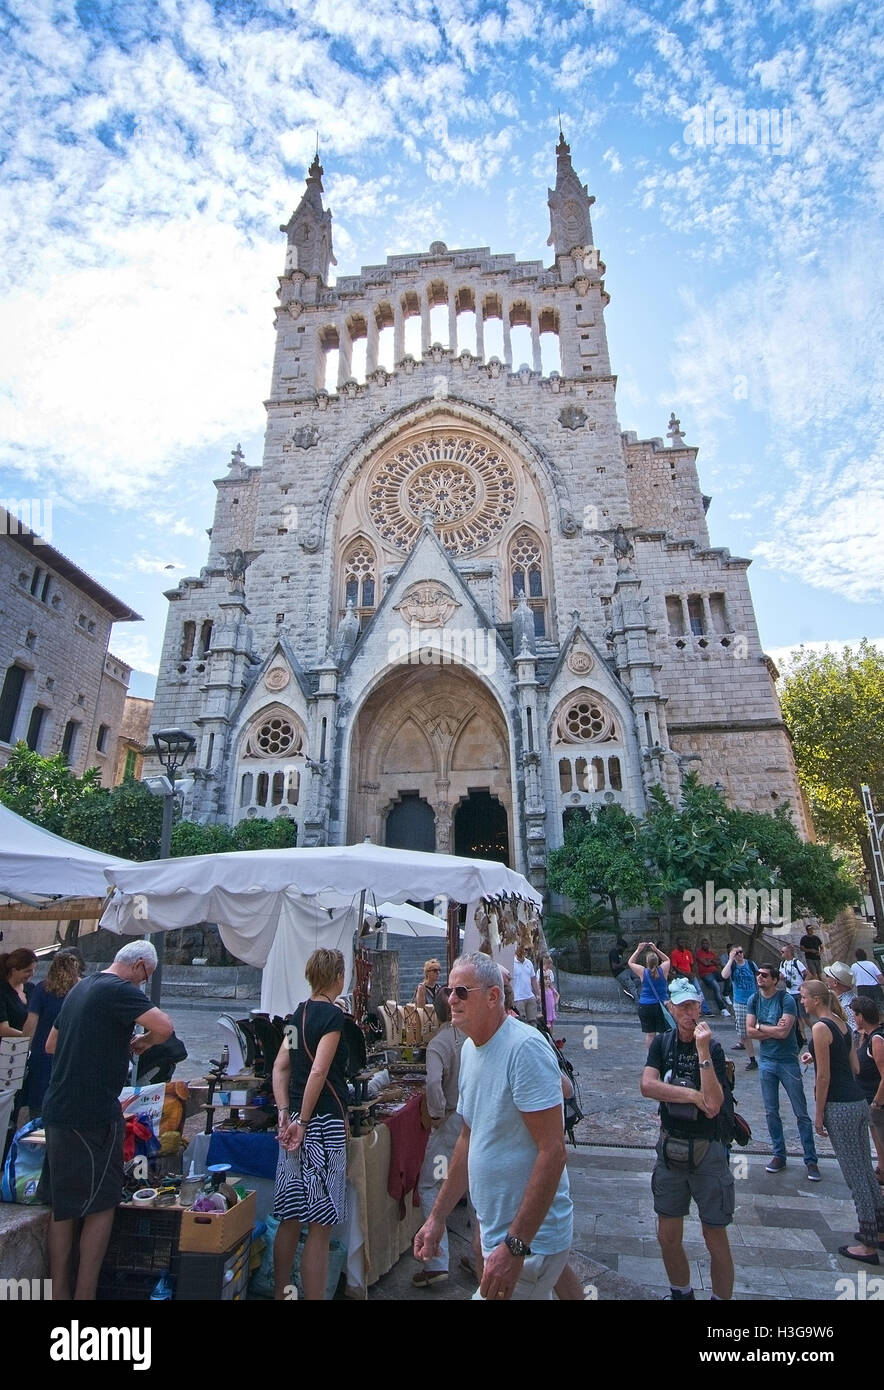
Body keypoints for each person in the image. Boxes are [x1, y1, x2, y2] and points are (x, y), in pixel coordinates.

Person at [413, 952, 573, 1300]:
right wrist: (437, 1217)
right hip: (502, 1234)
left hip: (530, 1242)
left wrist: (515, 1245)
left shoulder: (524, 1049)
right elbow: (468, 1139)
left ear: (493, 996)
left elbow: (553, 1151)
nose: (450, 998)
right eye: (448, 991)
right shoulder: (471, 1049)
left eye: (461, 991)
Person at [39, 940, 174, 1301]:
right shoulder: (118, 989)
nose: (145, 983)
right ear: (141, 966)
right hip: (92, 1112)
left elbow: (51, 1044)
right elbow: (164, 1027)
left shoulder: (81, 986)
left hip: (57, 1108)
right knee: (101, 1204)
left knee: (64, 1207)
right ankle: (85, 1295)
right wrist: (146, 1040)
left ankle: (58, 1293)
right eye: (148, 976)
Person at [640, 978, 735, 1301]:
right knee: (667, 1234)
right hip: (670, 1147)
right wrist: (691, 1095)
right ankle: (681, 1293)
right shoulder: (662, 1045)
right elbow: (648, 1086)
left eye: (693, 1005)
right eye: (682, 1006)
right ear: (670, 1008)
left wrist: (703, 1051)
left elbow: (713, 1104)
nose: (689, 1012)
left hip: (708, 1149)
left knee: (714, 1235)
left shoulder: (714, 1047)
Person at [271, 947, 350, 1300]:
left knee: (289, 1217)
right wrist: (303, 1120)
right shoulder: (333, 1018)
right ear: (338, 978)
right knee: (319, 1224)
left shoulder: (294, 1017)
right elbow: (320, 1068)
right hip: (323, 1122)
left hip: (292, 1128)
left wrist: (283, 1112)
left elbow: (280, 1067)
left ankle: (281, 1293)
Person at [800, 979, 884, 1264]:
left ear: (816, 1000)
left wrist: (819, 1113)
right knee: (864, 1168)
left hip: (839, 1106)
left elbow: (824, 1077)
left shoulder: (820, 1028)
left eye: (804, 997)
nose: (802, 1002)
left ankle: (869, 1244)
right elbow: (855, 1067)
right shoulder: (842, 1022)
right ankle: (880, 1230)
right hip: (858, 1102)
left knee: (855, 1174)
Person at [746, 963, 820, 1179]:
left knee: (800, 1112)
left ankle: (811, 1159)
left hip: (787, 1060)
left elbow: (783, 1031)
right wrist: (765, 1029)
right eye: (758, 974)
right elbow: (749, 1031)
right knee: (771, 1111)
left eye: (765, 975)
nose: (760, 978)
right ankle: (779, 1154)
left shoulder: (785, 999)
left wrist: (761, 1027)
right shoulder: (754, 1000)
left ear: (775, 979)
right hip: (767, 1060)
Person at [412, 993, 466, 1288]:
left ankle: (436, 1260)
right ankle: (481, 1254)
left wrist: (436, 1113)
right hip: (470, 1117)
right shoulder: (469, 1036)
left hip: (450, 1120)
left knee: (432, 1184)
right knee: (471, 1184)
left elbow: (433, 1082)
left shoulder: (440, 1042)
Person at [21, 948, 85, 1116]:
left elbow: (31, 1022)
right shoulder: (84, 990)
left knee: (38, 1106)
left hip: (41, 1054)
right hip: (73, 1055)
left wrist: (23, 1049)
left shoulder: (42, 988)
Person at [850, 996, 884, 1182]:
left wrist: (877, 1102)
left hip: (877, 1101)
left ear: (861, 1016)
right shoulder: (867, 1036)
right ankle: (881, 1169)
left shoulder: (877, 1039)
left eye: (855, 1014)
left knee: (881, 1138)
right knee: (878, 1139)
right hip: (870, 1098)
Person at [721, 946, 759, 1068]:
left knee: (762, 1027)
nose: (739, 954)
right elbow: (724, 976)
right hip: (740, 1002)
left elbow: (759, 977)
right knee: (744, 1032)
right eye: (736, 953)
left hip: (754, 1000)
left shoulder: (751, 964)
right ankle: (752, 1060)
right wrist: (730, 960)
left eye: (741, 952)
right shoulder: (732, 966)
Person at [628, 942, 672, 1047]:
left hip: (646, 1005)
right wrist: (656, 949)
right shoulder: (663, 970)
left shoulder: (643, 972)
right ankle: (664, 1054)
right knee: (664, 1033)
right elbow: (667, 960)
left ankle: (652, 1056)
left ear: (647, 962)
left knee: (650, 1034)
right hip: (661, 1005)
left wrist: (638, 950)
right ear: (657, 961)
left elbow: (630, 962)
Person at [0, 948, 37, 1037]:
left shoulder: (31, 988)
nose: (32, 974)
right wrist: (27, 1037)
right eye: (27, 971)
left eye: (33, 969)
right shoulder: (2, 991)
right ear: (14, 970)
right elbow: (2, 1029)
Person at [780, 944, 808, 1044]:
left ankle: (813, 1030)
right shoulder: (783, 963)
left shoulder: (797, 962)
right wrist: (782, 978)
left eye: (783, 952)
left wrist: (803, 985)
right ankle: (802, 1036)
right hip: (789, 992)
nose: (781, 953)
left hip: (798, 992)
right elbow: (782, 974)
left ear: (788, 952)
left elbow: (806, 973)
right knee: (795, 1016)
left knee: (803, 1016)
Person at [695, 938, 730, 1016]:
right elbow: (705, 964)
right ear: (701, 945)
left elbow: (719, 962)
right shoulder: (699, 953)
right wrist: (713, 962)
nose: (705, 945)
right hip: (705, 975)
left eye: (706, 944)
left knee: (727, 975)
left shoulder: (711, 953)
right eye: (703, 944)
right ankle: (723, 1009)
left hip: (715, 972)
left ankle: (725, 994)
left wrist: (711, 961)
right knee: (716, 986)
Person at [823, 962, 859, 1034]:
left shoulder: (846, 1005)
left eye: (827, 976)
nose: (825, 978)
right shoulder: (849, 999)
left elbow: (854, 1030)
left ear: (835, 983)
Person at [512, 943, 541, 1024]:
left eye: (526, 950)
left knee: (533, 1022)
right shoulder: (512, 963)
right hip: (518, 998)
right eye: (524, 950)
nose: (525, 952)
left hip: (529, 996)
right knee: (522, 1022)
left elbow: (533, 979)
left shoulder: (529, 963)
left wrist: (538, 994)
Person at [609, 937, 638, 1002]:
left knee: (638, 976)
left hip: (624, 971)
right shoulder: (613, 952)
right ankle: (639, 1005)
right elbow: (614, 966)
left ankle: (628, 989)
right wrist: (623, 963)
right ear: (619, 946)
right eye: (623, 948)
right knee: (632, 986)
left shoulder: (620, 952)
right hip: (618, 973)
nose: (624, 950)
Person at [542, 956, 559, 1024]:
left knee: (552, 1019)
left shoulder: (550, 972)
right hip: (545, 996)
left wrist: (555, 993)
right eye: (550, 964)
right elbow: (539, 984)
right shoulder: (540, 972)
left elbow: (551, 984)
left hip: (550, 995)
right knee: (547, 1019)